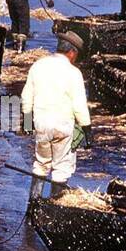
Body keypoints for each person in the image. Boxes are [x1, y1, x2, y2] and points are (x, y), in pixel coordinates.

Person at [20, 30, 91, 202]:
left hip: (41, 124)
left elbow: (26, 97)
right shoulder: (74, 73)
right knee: (62, 168)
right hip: (63, 126)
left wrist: (27, 122)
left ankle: (33, 204)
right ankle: (54, 205)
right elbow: (79, 105)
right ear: (72, 52)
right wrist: (87, 129)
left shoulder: (38, 65)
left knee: (41, 164)